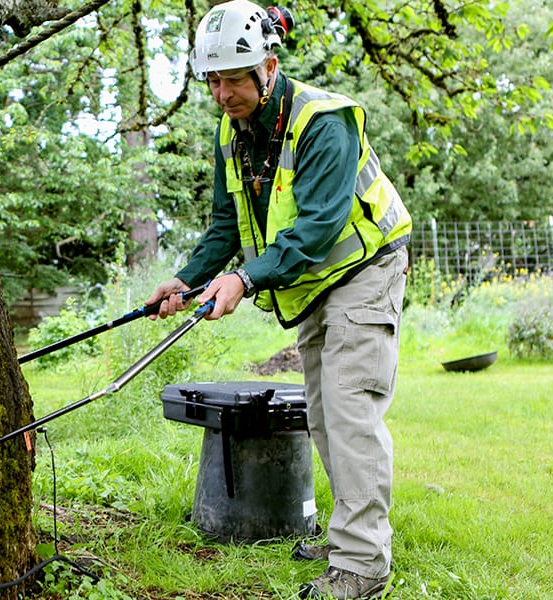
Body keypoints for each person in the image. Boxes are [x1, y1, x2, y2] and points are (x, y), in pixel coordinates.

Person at [145, 1, 412, 598]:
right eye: (211, 79)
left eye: (233, 78)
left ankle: (363, 564)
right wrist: (187, 280)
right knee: (320, 416)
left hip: (365, 269)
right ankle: (348, 538)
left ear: (267, 67)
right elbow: (226, 225)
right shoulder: (231, 132)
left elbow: (317, 228)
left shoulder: (325, 122)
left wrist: (242, 280)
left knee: (349, 415)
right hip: (312, 281)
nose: (221, 93)